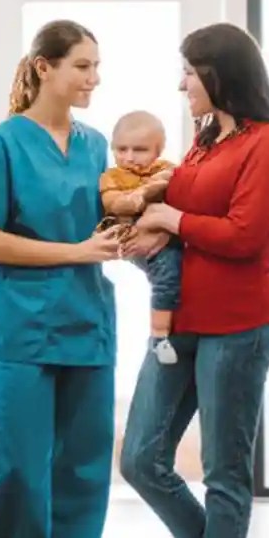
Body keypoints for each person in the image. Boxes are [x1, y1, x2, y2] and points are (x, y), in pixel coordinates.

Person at [118, 22, 269, 538]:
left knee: (224, 471)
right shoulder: (203, 140)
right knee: (141, 458)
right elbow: (184, 219)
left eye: (190, 72)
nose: (181, 83)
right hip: (181, 323)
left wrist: (173, 216)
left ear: (220, 74)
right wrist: (146, 228)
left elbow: (250, 237)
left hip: (239, 324)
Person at [0, 19, 123, 538]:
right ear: (44, 68)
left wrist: (128, 237)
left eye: (96, 66)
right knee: (21, 483)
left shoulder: (97, 144)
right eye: (82, 65)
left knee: (81, 484)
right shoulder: (1, 144)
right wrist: (77, 252)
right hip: (21, 334)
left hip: (88, 328)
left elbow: (103, 229)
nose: (93, 78)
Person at [96, 110, 182, 365]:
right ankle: (159, 336)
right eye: (121, 150)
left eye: (140, 150)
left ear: (158, 149)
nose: (129, 158)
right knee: (167, 270)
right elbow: (114, 203)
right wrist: (140, 196)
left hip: (165, 229)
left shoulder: (166, 170)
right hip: (130, 230)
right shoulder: (113, 176)